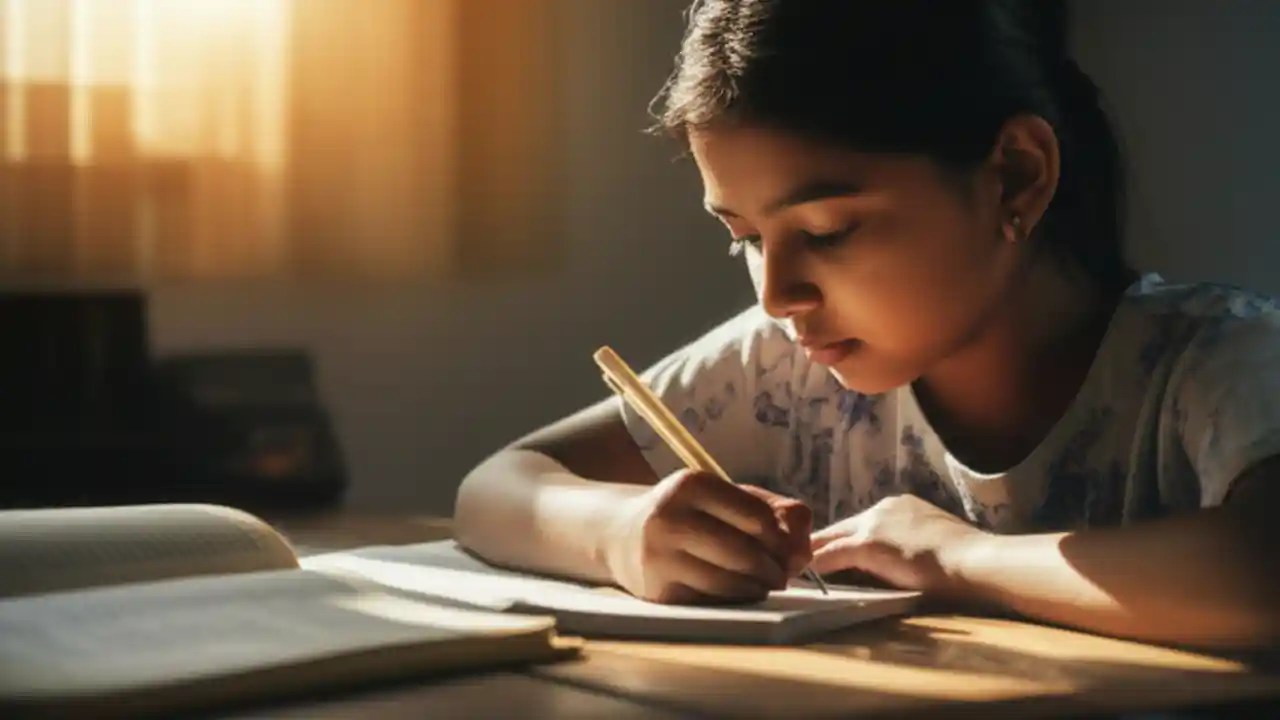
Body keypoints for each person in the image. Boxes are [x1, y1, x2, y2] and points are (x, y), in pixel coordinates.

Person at [455, 0, 1280, 649]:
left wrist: (956, 559)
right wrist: (624, 532)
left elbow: (1261, 573)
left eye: (825, 232)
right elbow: (496, 489)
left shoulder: (1214, 364)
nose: (777, 295)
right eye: (742, 236)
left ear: (1015, 178)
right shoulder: (782, 373)